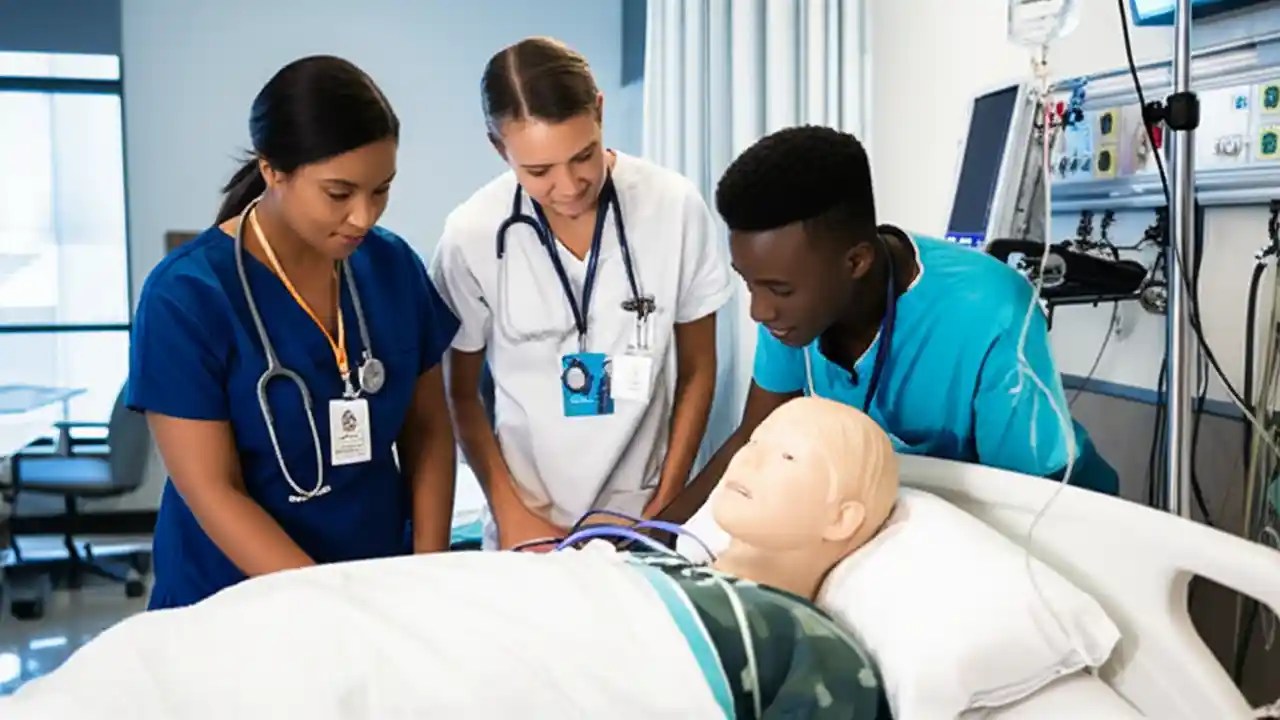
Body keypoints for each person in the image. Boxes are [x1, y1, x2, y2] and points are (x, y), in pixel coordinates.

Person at [0, 396, 894, 720]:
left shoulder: (802, 649)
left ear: (845, 514)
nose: (743, 457)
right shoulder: (668, 564)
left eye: (784, 457)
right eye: (758, 440)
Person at [127, 55, 460, 610]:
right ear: (273, 170)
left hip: (380, 587)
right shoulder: (187, 297)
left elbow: (427, 432)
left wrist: (426, 578)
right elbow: (213, 490)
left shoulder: (393, 267)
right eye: (339, 193)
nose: (364, 217)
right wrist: (336, 610)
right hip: (234, 602)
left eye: (381, 190)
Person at [660, 124, 1118, 524]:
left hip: (1064, 520)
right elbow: (753, 437)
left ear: (856, 260)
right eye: (749, 284)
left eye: (777, 290)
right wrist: (651, 537)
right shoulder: (792, 306)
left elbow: (1032, 503)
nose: (758, 311)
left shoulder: (989, 310)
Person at [430, 37, 732, 550]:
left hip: (642, 518)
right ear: (498, 148)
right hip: (527, 522)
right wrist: (512, 515)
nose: (569, 186)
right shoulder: (471, 235)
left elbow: (699, 369)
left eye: (584, 156)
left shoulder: (673, 207)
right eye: (539, 172)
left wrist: (665, 504)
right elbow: (458, 394)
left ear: (598, 110)